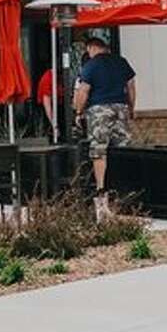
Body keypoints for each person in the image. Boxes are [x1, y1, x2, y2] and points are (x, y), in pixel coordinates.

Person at [71, 33, 136, 211]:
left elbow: (83, 91)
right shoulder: (121, 62)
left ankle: (101, 190)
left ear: (92, 48)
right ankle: (124, 188)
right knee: (123, 148)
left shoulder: (90, 65)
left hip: (99, 110)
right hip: (120, 108)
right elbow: (130, 86)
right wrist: (131, 108)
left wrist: (78, 112)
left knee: (99, 150)